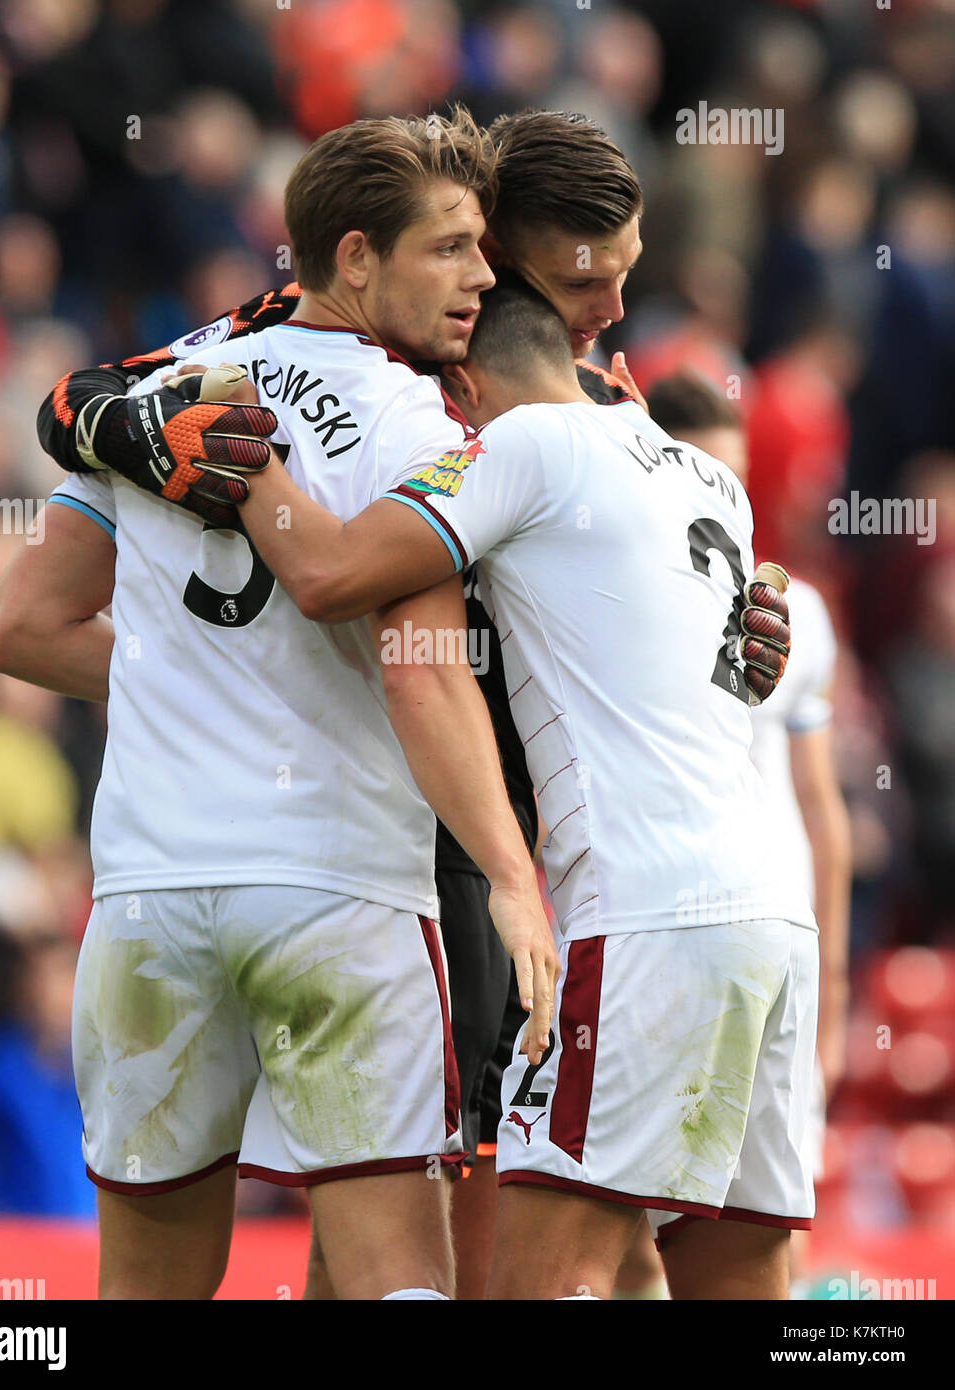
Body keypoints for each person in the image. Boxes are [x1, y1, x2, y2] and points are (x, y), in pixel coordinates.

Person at [0, 109, 559, 1302]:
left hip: (149, 897)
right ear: (353, 257)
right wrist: (510, 876)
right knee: (398, 1278)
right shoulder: (421, 425)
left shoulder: (159, 388)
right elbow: (420, 669)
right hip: (335, 897)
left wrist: (180, 676)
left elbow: (20, 628)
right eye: (449, 246)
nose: (482, 274)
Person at [227, 274, 817, 1299]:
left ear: (456, 385)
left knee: (536, 1282)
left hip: (644, 915)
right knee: (740, 1274)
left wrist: (248, 462)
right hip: (769, 915)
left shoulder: (523, 446)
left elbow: (328, 576)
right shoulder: (701, 470)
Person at [643, 372, 852, 1297]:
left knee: (769, 1204)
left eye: (734, 473)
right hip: (653, 919)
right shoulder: (617, 607)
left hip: (774, 928)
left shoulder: (798, 613)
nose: (722, 494)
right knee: (631, 1214)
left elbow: (822, 807)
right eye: (702, 469)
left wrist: (838, 983)